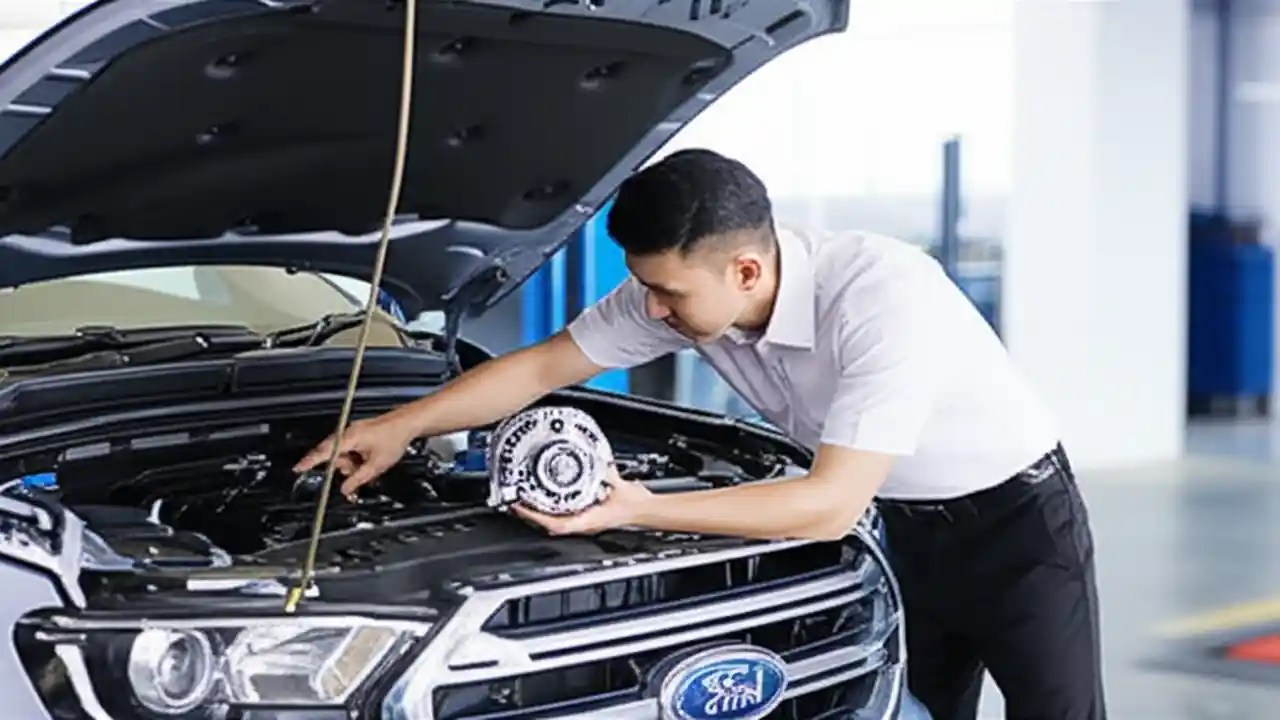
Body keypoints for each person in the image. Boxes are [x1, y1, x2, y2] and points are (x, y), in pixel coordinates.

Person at [294, 148, 1105, 720]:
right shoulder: (686, 296)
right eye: (644, 286)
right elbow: (543, 366)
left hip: (1017, 529)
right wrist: (399, 426)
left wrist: (635, 508)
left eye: (665, 290)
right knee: (909, 706)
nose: (649, 308)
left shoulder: (884, 299)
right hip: (900, 526)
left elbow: (826, 505)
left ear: (746, 271)